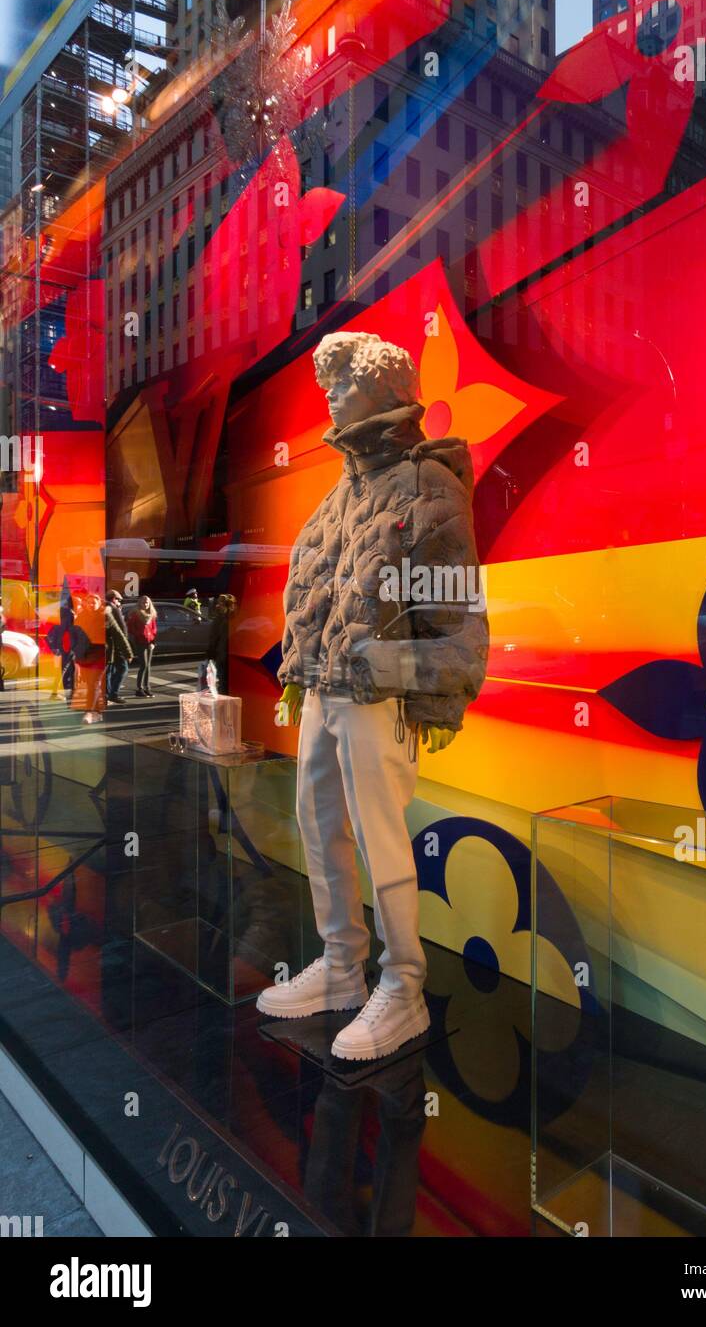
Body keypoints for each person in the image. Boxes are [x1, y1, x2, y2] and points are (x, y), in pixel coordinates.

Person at [257, 331, 489, 1062]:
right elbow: (314, 592)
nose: (331, 393)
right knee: (319, 826)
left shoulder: (428, 486)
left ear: (385, 393)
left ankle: (404, 985)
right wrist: (298, 672)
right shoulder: (344, 492)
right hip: (326, 690)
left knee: (382, 840)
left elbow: (457, 616)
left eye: (345, 382)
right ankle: (340, 967)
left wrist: (438, 700)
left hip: (380, 697)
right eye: (329, 382)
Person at [70, 592, 106, 724]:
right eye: (89, 602)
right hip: (84, 656)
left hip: (100, 655)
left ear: (99, 603)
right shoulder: (81, 617)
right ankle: (97, 712)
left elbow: (117, 633)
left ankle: (89, 713)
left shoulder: (104, 617)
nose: (91, 605)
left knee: (93, 684)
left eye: (94, 602)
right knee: (91, 684)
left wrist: (126, 651)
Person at [104, 589, 133, 704]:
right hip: (116, 646)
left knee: (110, 671)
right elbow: (120, 630)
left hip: (112, 646)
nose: (120, 603)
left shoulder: (109, 608)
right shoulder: (112, 608)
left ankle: (108, 694)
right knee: (122, 668)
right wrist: (126, 650)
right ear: (114, 599)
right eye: (119, 600)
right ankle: (112, 694)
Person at [126, 595, 157, 698]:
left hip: (149, 643)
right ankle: (139, 689)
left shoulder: (151, 615)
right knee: (143, 665)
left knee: (148, 666)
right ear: (140, 603)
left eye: (147, 602)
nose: (146, 604)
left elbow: (154, 629)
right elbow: (130, 628)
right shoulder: (136, 614)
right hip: (140, 642)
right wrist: (138, 635)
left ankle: (147, 688)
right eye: (144, 602)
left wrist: (153, 642)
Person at [206, 593, 235, 695]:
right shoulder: (235, 617)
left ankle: (224, 703)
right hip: (231, 655)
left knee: (223, 682)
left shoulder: (220, 619)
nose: (217, 605)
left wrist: (210, 652)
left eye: (219, 603)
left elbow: (213, 637)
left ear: (224, 605)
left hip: (223, 654)